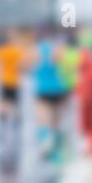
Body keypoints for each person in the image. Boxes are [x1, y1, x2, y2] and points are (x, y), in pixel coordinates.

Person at [32, 28, 69, 163]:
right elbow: (67, 69)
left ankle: (46, 145)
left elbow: (26, 66)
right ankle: (56, 151)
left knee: (43, 120)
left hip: (43, 89)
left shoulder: (37, 50)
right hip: (59, 88)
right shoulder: (59, 50)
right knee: (56, 122)